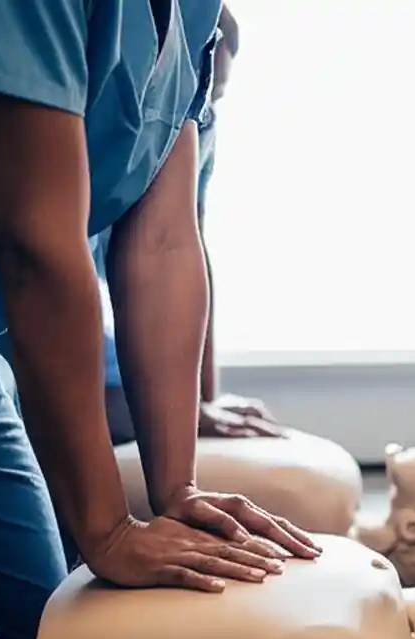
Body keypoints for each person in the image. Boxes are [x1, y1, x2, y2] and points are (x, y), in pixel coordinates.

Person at [0, 2, 318, 639]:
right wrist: (107, 528)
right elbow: (36, 244)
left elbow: (162, 246)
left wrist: (176, 488)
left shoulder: (195, 17)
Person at [96, 4, 286, 446]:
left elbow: (186, 251)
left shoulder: (199, 128)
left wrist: (204, 400)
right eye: (193, 96)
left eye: (212, 97)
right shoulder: (115, 116)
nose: (201, 113)